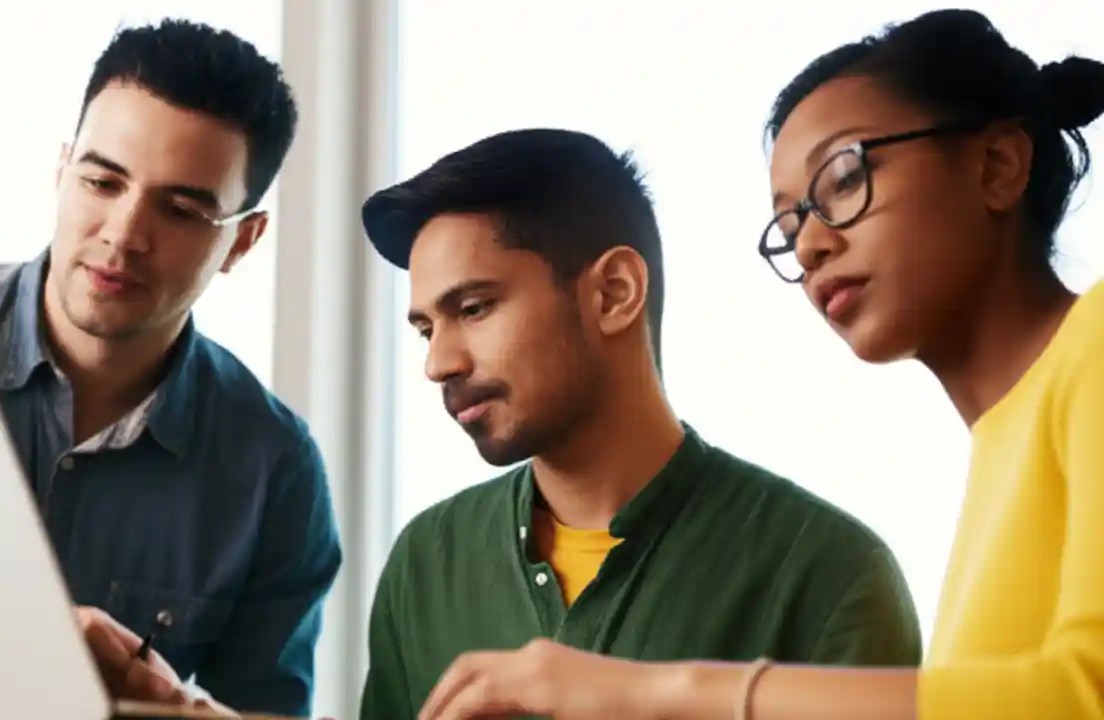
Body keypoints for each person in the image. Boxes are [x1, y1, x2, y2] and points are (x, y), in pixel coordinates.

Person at [410, 10, 1104, 720]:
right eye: (791, 222)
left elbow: (1083, 696)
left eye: (844, 179)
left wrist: (650, 690)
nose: (809, 246)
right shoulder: (1008, 440)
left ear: (997, 165)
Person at [0, 19, 340, 717]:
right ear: (62, 172)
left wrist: (167, 698)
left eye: (180, 210)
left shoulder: (274, 471)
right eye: (101, 181)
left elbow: (261, 711)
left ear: (242, 242)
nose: (122, 235)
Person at [358, 127, 923, 720]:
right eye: (426, 330)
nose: (438, 363)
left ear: (614, 293)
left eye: (473, 309)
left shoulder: (827, 573)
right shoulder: (425, 562)